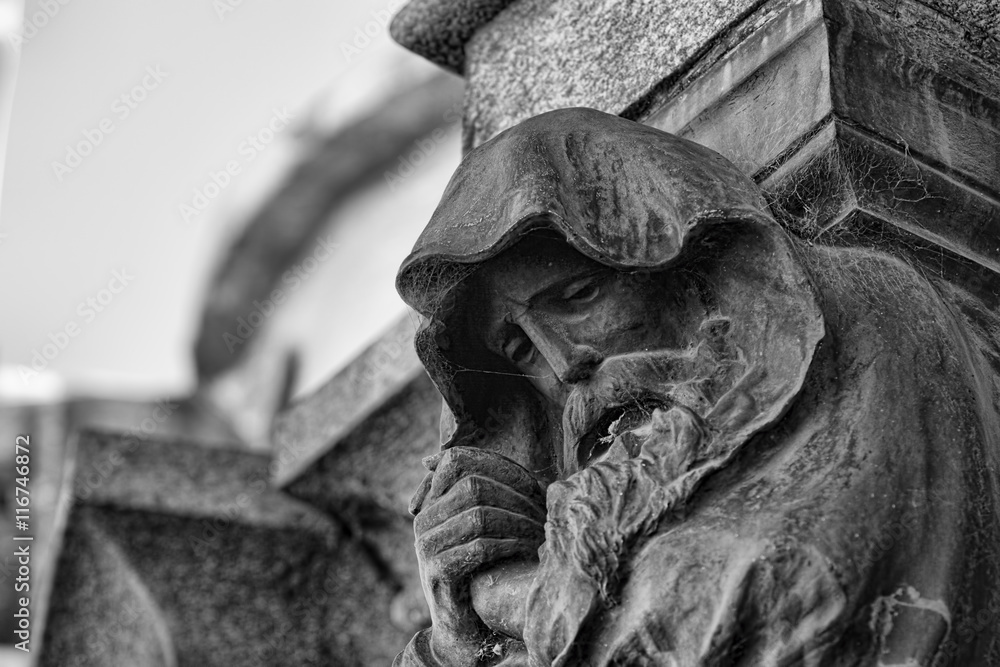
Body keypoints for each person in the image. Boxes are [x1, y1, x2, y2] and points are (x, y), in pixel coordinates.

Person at [393, 108, 1000, 666]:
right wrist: (452, 642)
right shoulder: (610, 485)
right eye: (520, 348)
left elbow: (791, 604)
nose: (563, 363)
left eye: (578, 297)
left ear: (685, 262)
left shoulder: (866, 306)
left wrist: (511, 597)